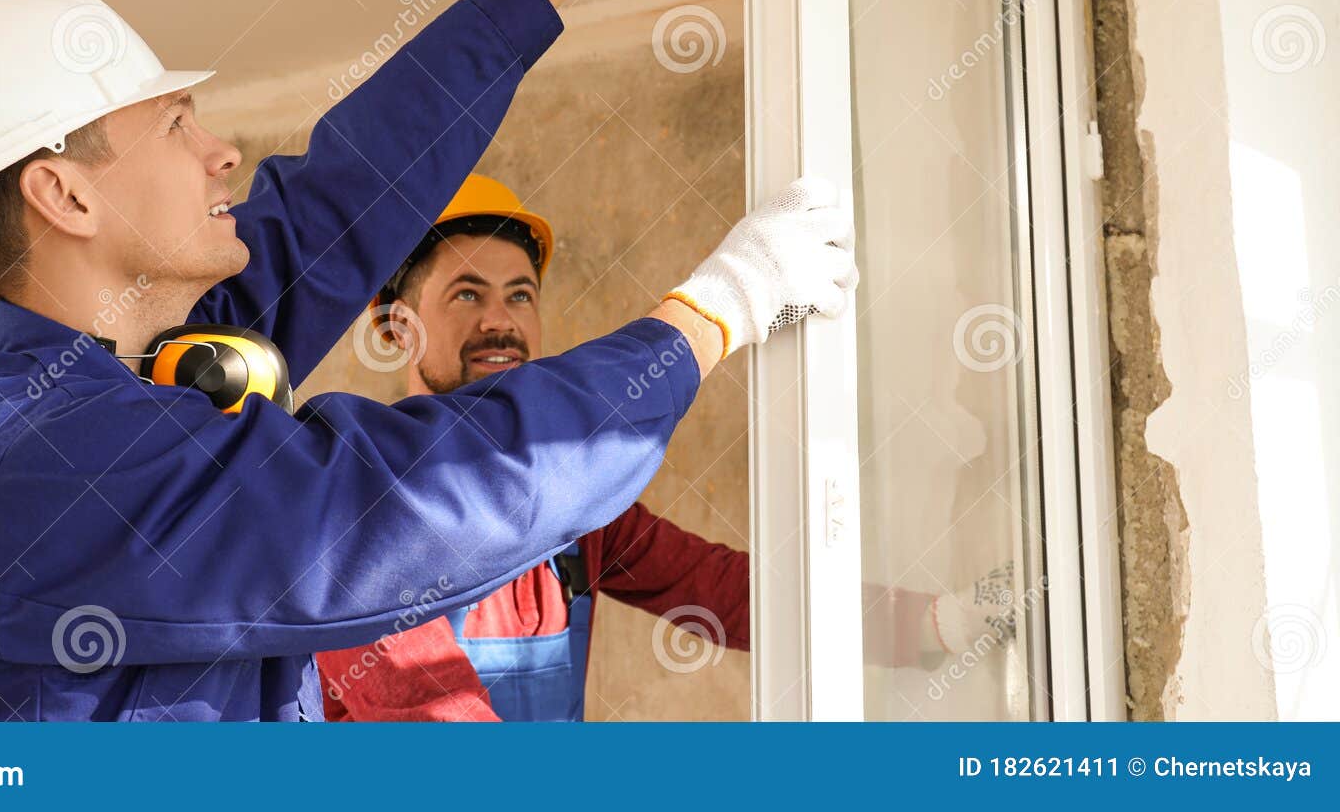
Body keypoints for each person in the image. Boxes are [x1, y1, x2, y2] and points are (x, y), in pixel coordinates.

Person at [0, 0, 862, 721]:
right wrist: (717, 306)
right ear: (65, 193)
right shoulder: (54, 457)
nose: (223, 151)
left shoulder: (128, 362)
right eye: (175, 124)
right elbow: (404, 502)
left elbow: (344, 194)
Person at [316, 179, 1016, 721]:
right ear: (396, 326)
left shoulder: (572, 511)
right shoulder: (354, 504)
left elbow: (723, 591)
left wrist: (934, 623)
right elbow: (426, 718)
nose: (500, 318)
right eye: (467, 293)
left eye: (520, 295)